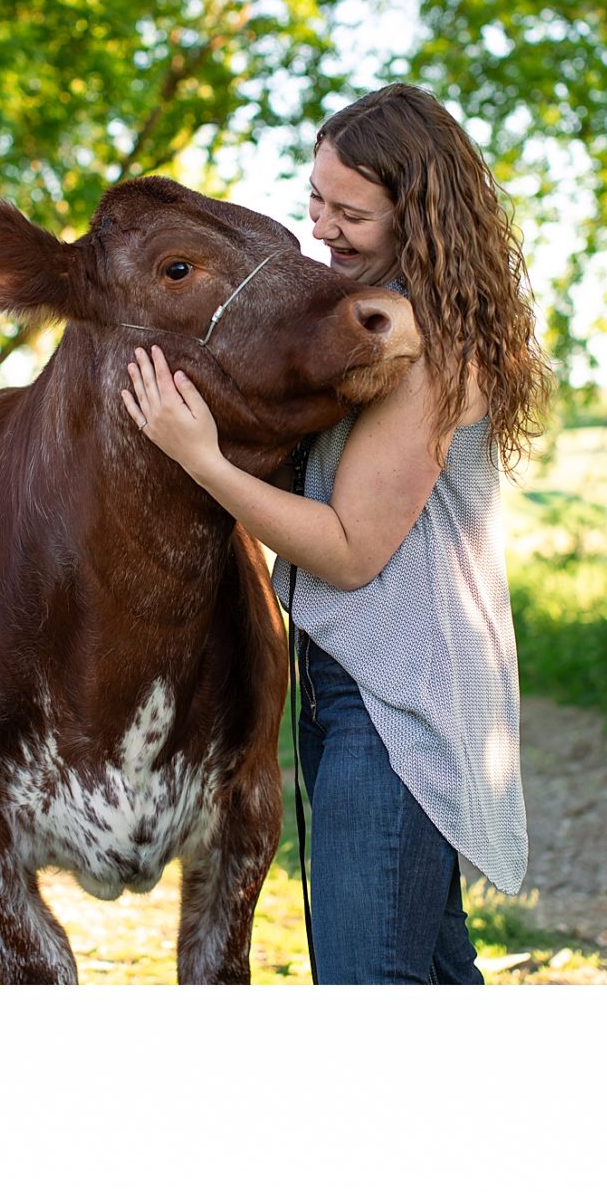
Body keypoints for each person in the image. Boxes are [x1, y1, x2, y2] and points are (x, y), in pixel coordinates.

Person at [121, 84, 549, 983]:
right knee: (426, 976)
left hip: (396, 706)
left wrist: (201, 458)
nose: (321, 227)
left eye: (349, 211)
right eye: (315, 197)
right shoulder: (376, 322)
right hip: (354, 690)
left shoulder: (422, 349)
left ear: (418, 214)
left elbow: (350, 552)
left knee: (368, 984)